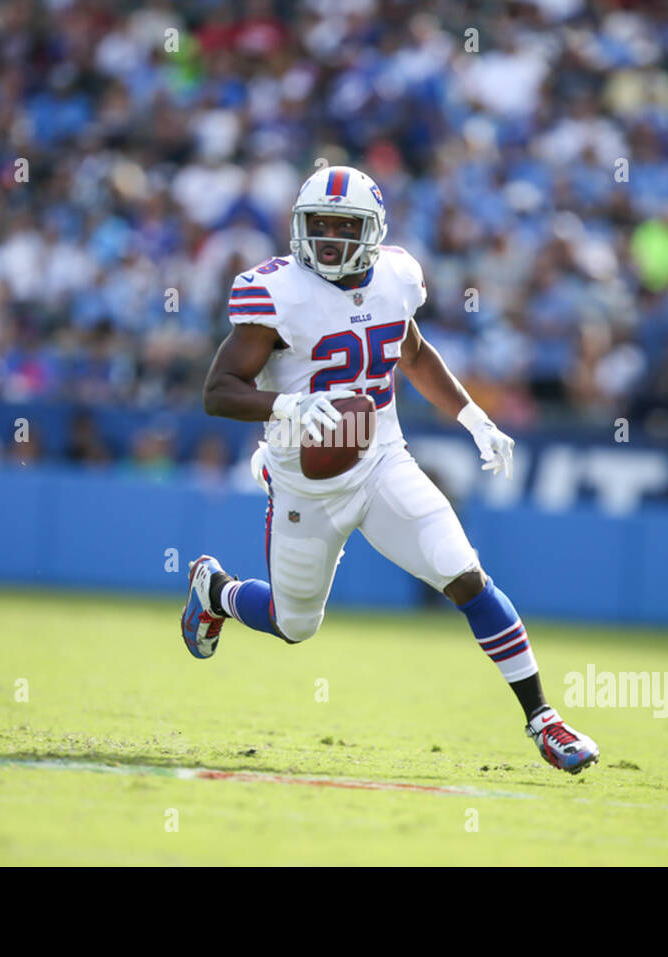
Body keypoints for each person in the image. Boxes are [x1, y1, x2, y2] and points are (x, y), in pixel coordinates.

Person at [180, 166, 599, 775]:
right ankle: (215, 591)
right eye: (316, 224)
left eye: (341, 226)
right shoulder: (275, 292)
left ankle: (544, 720)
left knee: (465, 575)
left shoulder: (398, 278)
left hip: (380, 458)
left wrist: (473, 416)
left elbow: (416, 353)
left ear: (372, 232)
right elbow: (218, 391)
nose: (326, 237)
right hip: (306, 480)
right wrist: (287, 404)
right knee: (295, 625)